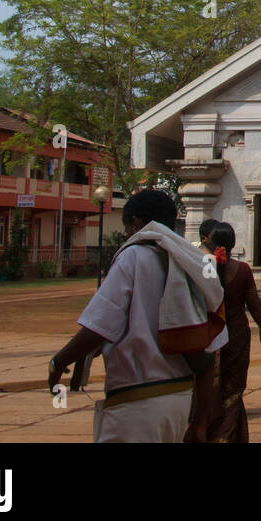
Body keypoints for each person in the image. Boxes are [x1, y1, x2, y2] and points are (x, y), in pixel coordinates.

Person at [48, 189, 226, 443]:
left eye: (128, 228)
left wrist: (58, 361)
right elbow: (211, 350)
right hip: (181, 398)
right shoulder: (191, 261)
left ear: (136, 223)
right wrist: (198, 423)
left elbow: (99, 326)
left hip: (137, 400)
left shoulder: (133, 256)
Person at [203, 222, 261, 443]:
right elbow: (254, 303)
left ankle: (216, 434)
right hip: (236, 335)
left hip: (211, 335)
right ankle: (226, 436)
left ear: (210, 242)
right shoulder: (242, 270)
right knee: (233, 389)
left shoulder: (204, 267)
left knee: (212, 388)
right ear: (233, 244)